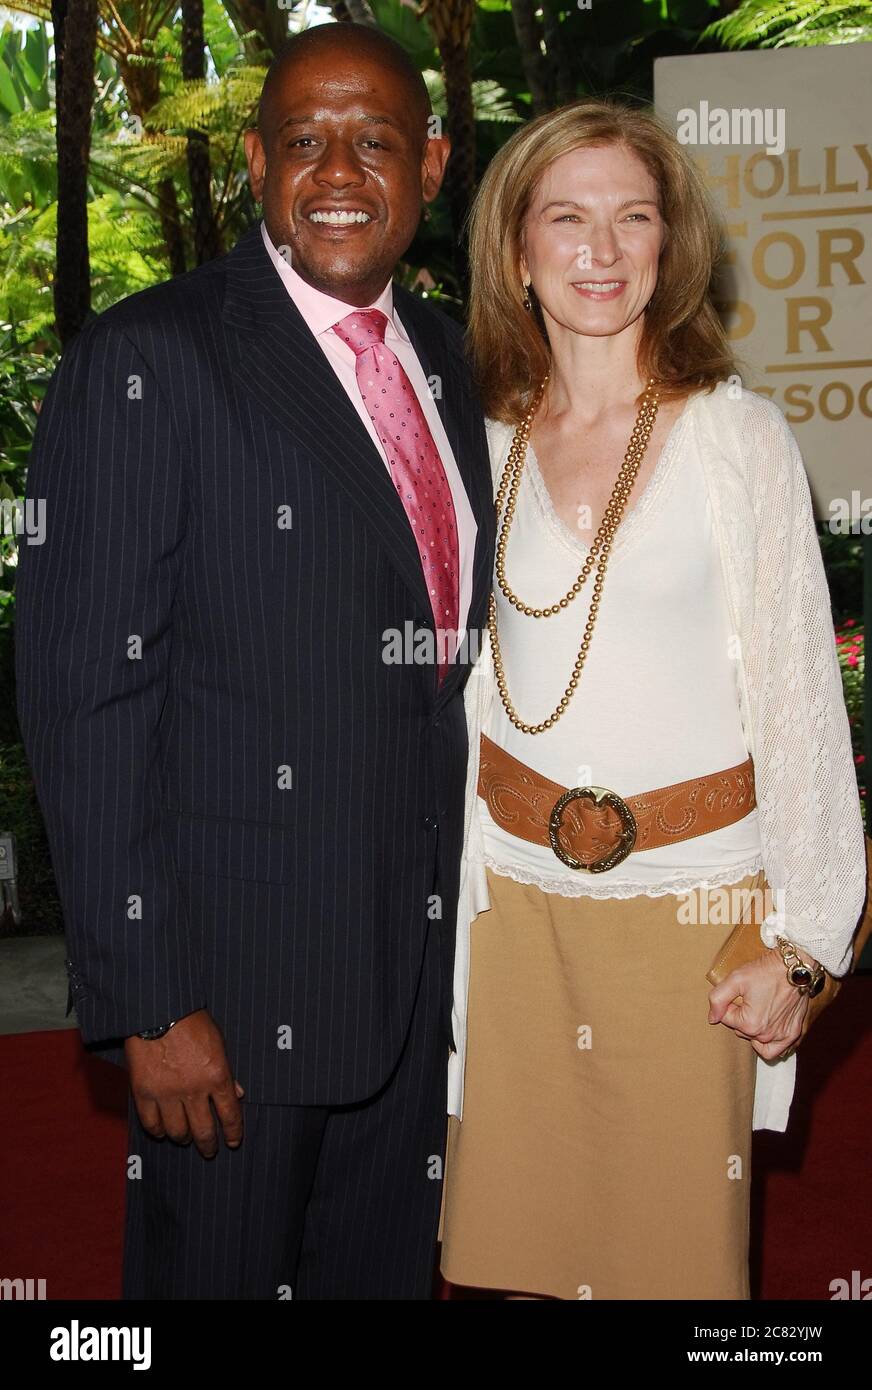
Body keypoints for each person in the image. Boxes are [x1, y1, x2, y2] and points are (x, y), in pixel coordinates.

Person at [15, 22, 496, 1300]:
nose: (338, 168)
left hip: (417, 979)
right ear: (253, 162)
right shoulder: (147, 361)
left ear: (432, 162)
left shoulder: (452, 366)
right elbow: (84, 702)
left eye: (376, 140)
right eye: (303, 140)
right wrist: (149, 999)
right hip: (226, 1002)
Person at [438, 99, 867, 1300]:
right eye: (565, 219)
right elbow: (463, 693)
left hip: (691, 920)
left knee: (674, 1282)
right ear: (515, 252)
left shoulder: (736, 438)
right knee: (515, 1268)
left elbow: (799, 702)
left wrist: (802, 944)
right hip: (512, 915)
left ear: (669, 247)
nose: (601, 249)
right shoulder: (479, 438)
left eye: (633, 219)